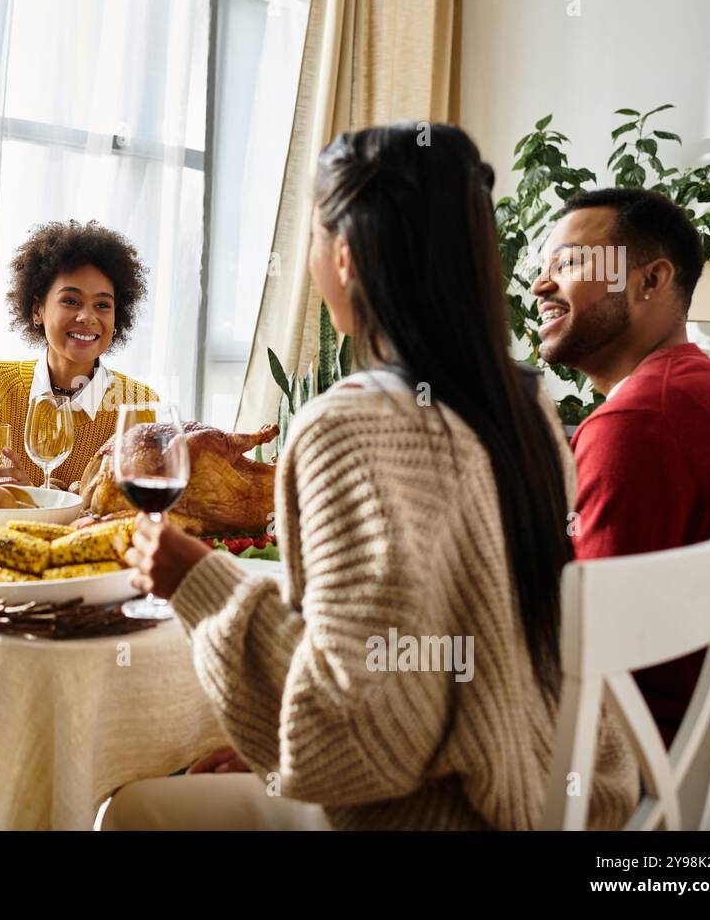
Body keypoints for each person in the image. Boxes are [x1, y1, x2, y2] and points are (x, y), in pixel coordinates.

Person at [101, 124, 637, 830]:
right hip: (554, 796)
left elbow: (353, 740)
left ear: (346, 256)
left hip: (435, 815)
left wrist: (193, 579)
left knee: (132, 808)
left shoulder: (346, 429)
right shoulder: (527, 406)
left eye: (315, 235)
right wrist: (275, 733)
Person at [531, 186, 710, 744]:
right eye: (542, 267)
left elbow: (584, 655)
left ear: (650, 280)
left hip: (638, 769)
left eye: (568, 262)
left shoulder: (641, 419)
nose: (541, 285)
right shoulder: (709, 387)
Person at [0, 220, 156, 489]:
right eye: (71, 301)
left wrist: (35, 498)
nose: (87, 317)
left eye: (102, 305)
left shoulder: (138, 405)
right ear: (38, 310)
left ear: (117, 318)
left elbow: (133, 510)